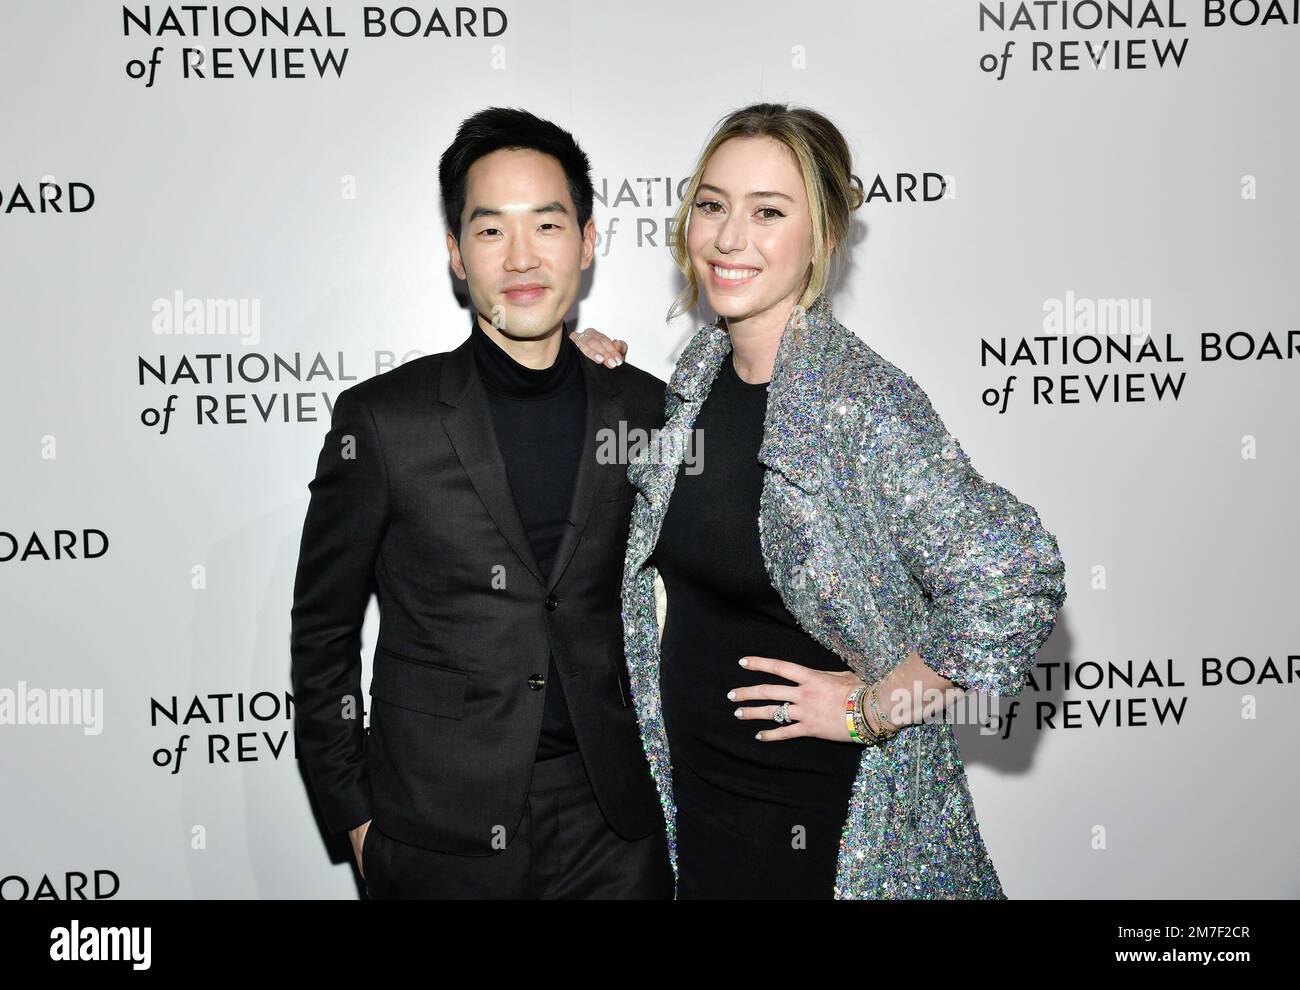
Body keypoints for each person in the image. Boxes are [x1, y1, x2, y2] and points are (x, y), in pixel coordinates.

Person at [603, 103, 1067, 898]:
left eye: (769, 213)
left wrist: (877, 709)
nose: (729, 238)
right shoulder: (700, 376)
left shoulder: (856, 403)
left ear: (820, 239)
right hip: (703, 811)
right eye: (712, 206)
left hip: (817, 828)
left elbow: (1016, 576)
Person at [290, 106, 673, 899]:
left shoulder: (647, 411)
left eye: (548, 224)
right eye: (491, 230)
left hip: (614, 824)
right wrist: (356, 817)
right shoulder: (384, 421)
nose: (522, 257)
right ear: (457, 255)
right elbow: (323, 628)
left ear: (589, 242)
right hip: (436, 826)